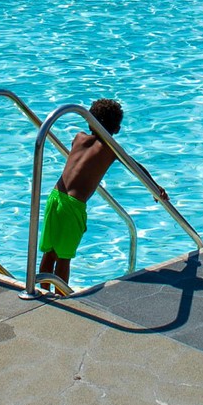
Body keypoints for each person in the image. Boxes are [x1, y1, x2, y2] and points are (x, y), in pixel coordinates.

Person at [36, 98, 152, 287]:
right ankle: (61, 297)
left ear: (90, 121)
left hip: (56, 196)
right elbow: (136, 167)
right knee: (65, 257)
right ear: (116, 128)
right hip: (73, 205)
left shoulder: (79, 137)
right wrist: (156, 188)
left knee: (50, 252)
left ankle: (43, 290)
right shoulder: (111, 149)